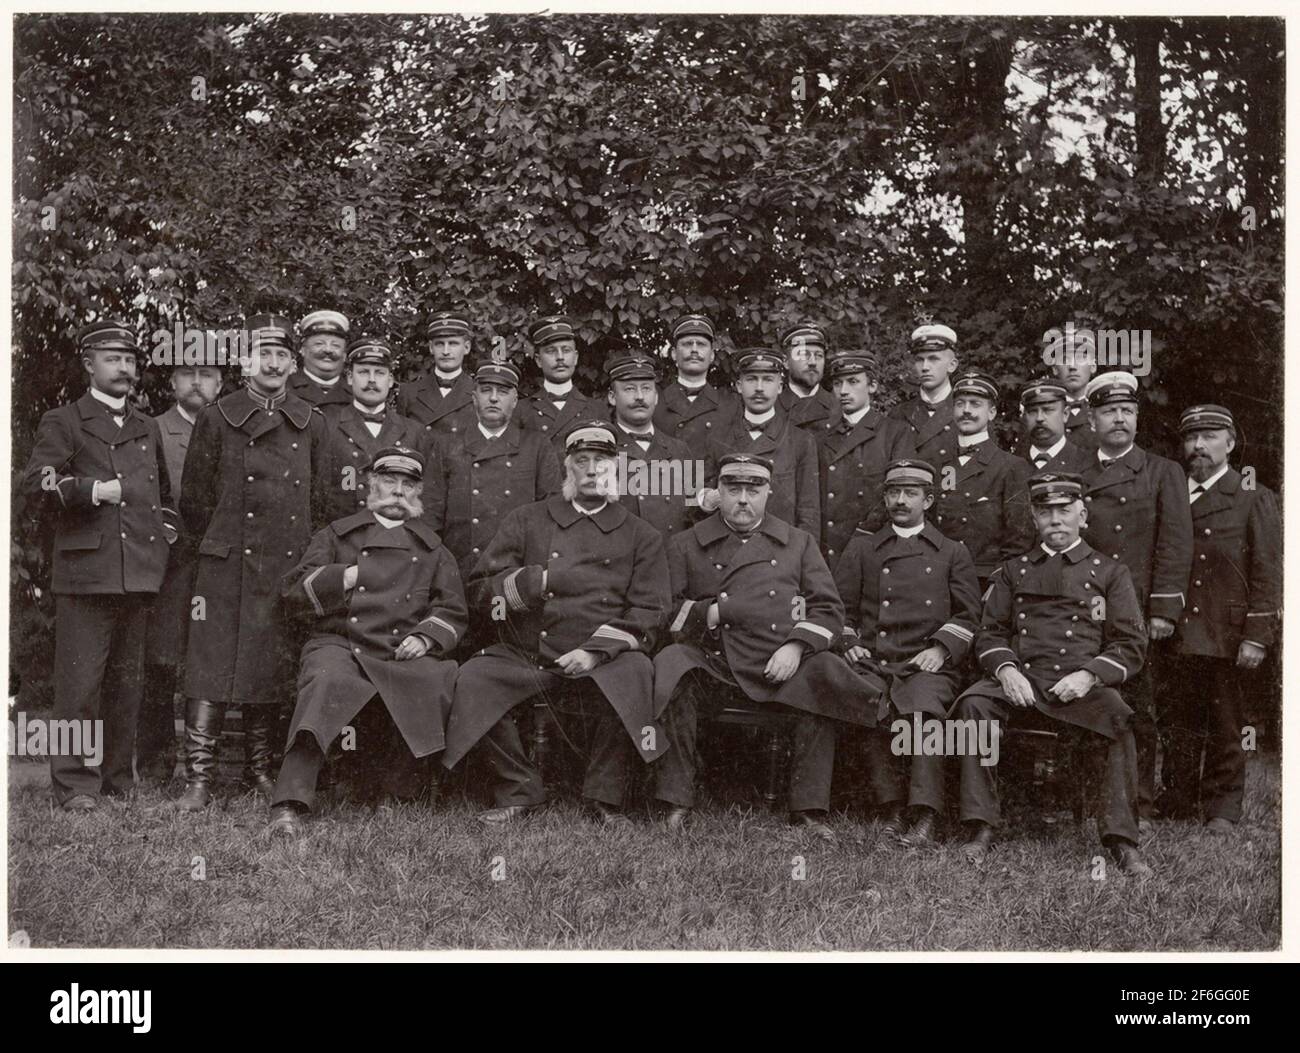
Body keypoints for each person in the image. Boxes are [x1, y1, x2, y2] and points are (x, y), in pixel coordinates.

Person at [442, 421, 671, 825]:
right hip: (528, 652)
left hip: (602, 653)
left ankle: (604, 797)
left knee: (636, 672)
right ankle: (519, 788)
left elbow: (650, 610)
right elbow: (479, 591)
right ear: (567, 469)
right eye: (581, 461)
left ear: (616, 468)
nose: (592, 470)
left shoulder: (641, 535)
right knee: (473, 677)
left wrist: (595, 652)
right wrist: (534, 582)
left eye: (602, 461)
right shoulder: (528, 519)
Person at [653, 454, 883, 840]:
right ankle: (676, 800)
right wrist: (715, 612)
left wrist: (796, 646)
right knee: (673, 664)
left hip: (781, 658)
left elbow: (828, 609)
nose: (743, 499)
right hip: (716, 660)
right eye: (733, 489)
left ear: (768, 493)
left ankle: (808, 809)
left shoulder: (797, 542)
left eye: (753, 490)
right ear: (718, 492)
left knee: (822, 674)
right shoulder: (685, 544)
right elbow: (665, 611)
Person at [952, 472, 1152, 876]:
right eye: (1046, 512)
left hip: (1079, 684)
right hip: (1022, 680)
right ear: (1034, 518)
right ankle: (980, 827)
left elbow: (1130, 643)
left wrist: (1089, 676)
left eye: (1064, 511)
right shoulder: (1014, 570)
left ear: (1083, 515)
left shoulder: (1110, 572)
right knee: (973, 705)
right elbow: (989, 631)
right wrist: (1007, 670)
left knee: (1118, 719)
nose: (1055, 520)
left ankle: (1121, 841)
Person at [267, 445, 466, 838]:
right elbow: (292, 591)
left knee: (430, 680)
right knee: (326, 681)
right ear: (371, 486)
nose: (397, 492)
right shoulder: (338, 534)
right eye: (389, 481)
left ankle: (396, 793)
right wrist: (345, 576)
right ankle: (289, 802)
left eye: (408, 485)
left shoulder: (433, 549)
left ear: (418, 494)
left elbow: (453, 609)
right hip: (339, 642)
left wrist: (426, 638)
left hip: (400, 648)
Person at [20, 320, 178, 810]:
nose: (125, 369)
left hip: (137, 575)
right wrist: (88, 490)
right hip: (87, 573)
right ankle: (74, 786)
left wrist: (164, 541)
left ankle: (117, 782)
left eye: (130, 360)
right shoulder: (64, 420)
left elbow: (165, 500)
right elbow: (35, 483)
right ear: (89, 365)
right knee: (79, 686)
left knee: (126, 687)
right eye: (114, 359)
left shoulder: (145, 426)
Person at [175, 313, 329, 811]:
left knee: (270, 666)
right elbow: (194, 501)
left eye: (283, 355)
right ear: (245, 362)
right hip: (223, 561)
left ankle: (260, 770)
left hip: (283, 564)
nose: (274, 363)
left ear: (293, 364)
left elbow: (324, 502)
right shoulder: (216, 418)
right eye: (264, 353)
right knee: (209, 666)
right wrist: (218, 543)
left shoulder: (312, 422)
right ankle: (198, 780)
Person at [832, 459, 981, 844]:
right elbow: (838, 608)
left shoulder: (951, 551)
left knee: (923, 713)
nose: (900, 501)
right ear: (884, 497)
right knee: (869, 701)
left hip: (926, 662)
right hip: (875, 658)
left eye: (910, 493)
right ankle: (892, 810)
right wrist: (848, 642)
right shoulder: (863, 548)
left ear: (928, 500)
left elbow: (969, 615)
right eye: (893, 493)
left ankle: (926, 816)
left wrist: (941, 649)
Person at [1157, 405, 1280, 832]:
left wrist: (1258, 635)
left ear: (1230, 443)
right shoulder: (1171, 494)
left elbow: (1268, 570)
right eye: (1192, 438)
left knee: (1228, 720)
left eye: (1210, 437)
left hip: (1226, 629)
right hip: (1178, 627)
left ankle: (1222, 807)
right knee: (1178, 718)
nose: (1199, 446)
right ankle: (1176, 798)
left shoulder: (1252, 496)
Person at [1079, 370, 1193, 824]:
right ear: (1092, 421)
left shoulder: (1163, 472)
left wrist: (1163, 610)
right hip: (1085, 607)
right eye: (1109, 412)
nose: (1119, 419)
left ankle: (1140, 804)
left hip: (1138, 610)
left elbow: (1176, 544)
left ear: (1137, 418)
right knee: (1089, 701)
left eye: (1127, 411)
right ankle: (1088, 801)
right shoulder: (1076, 472)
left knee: (1138, 709)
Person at [137, 351, 223, 783]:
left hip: (216, 565)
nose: (196, 382)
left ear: (220, 384)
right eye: (187, 374)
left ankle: (206, 767)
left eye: (206, 374)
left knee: (208, 663)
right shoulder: (153, 428)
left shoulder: (231, 427)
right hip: (169, 564)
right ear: (172, 383)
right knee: (161, 661)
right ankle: (154, 764)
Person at [423, 359, 562, 581]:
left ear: (515, 400)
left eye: (503, 392)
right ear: (474, 397)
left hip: (516, 574)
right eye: (486, 390)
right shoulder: (447, 446)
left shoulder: (536, 446)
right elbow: (430, 517)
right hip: (458, 573)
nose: (494, 398)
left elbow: (552, 516)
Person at [703, 347, 820, 538]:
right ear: (739, 386)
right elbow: (698, 500)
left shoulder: (801, 441)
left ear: (781, 386)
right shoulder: (717, 439)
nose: (759, 388)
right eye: (751, 379)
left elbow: (809, 513)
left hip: (780, 554)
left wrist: (800, 560)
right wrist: (705, 501)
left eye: (767, 380)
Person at [932, 369, 1033, 588]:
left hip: (986, 582)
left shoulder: (1011, 467)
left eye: (975, 404)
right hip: (939, 580)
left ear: (992, 412)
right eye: (960, 404)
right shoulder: (938, 465)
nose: (966, 411)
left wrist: (1001, 584)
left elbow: (1019, 540)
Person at [315, 335, 428, 528]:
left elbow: (425, 500)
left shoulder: (414, 432)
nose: (372, 380)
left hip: (396, 543)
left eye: (380, 373)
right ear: (350, 377)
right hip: (343, 539)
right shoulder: (325, 425)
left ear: (391, 380)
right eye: (364, 372)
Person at [817, 350, 916, 567]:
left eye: (853, 382)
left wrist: (864, 533)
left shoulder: (895, 433)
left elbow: (899, 493)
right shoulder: (821, 436)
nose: (843, 391)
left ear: (872, 386)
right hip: (827, 551)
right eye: (837, 383)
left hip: (873, 548)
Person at [605, 351, 697, 541]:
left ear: (655, 397)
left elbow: (694, 514)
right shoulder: (600, 450)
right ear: (612, 397)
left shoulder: (680, 450)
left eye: (646, 388)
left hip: (670, 561)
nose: (640, 397)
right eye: (630, 389)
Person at [653, 313, 739, 449]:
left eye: (701, 344)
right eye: (687, 344)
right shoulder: (655, 404)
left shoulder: (730, 406)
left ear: (711, 355)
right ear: (674, 354)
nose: (694, 350)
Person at [516, 314, 600, 443]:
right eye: (551, 351)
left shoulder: (597, 409)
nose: (560, 357)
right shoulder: (521, 410)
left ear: (576, 357)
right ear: (538, 360)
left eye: (566, 350)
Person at [396, 308, 478, 439]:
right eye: (440, 344)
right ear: (431, 348)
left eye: (453, 344)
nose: (446, 351)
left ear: (466, 347)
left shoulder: (479, 393)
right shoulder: (408, 393)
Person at [887, 324, 958, 466]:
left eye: (933, 359)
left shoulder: (968, 414)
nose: (925, 367)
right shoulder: (898, 414)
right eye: (920, 359)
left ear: (952, 365)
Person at [1015, 379, 1092, 474]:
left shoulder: (1087, 464)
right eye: (1032, 411)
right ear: (1025, 416)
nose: (1039, 418)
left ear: (1065, 414)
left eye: (1047, 410)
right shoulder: (1011, 465)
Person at [777, 322, 840, 435]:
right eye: (804, 354)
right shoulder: (771, 408)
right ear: (786, 362)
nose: (812, 362)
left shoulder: (839, 408)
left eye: (818, 355)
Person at [288, 309, 352, 408]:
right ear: (303, 349)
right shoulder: (283, 389)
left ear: (344, 355)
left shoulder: (357, 394)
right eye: (319, 343)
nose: (328, 350)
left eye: (336, 345)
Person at [1048, 329, 1099, 451]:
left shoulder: (1104, 410)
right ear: (1055, 369)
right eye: (1065, 360)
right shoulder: (1044, 412)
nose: (1072, 367)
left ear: (1093, 366)